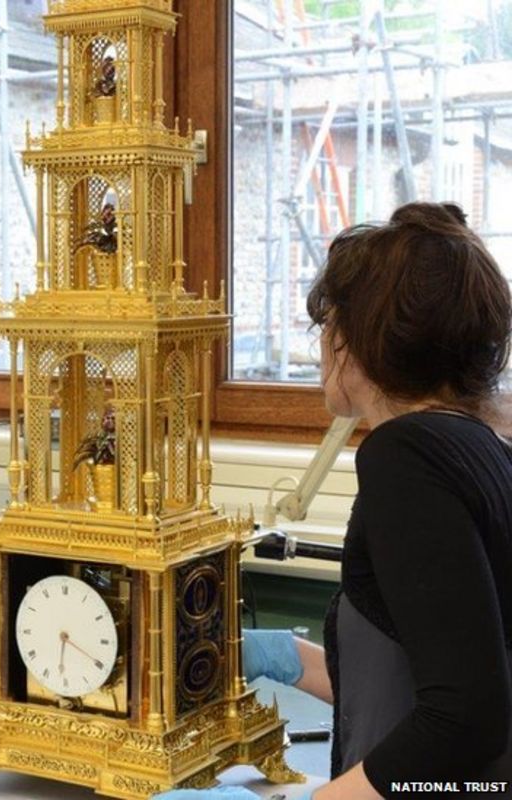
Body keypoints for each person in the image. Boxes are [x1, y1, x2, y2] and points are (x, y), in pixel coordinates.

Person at [159, 202, 512, 800]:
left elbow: (466, 719)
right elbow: (426, 671)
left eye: (326, 324)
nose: (323, 341)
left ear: (356, 339)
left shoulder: (408, 456)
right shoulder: (481, 446)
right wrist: (289, 658)